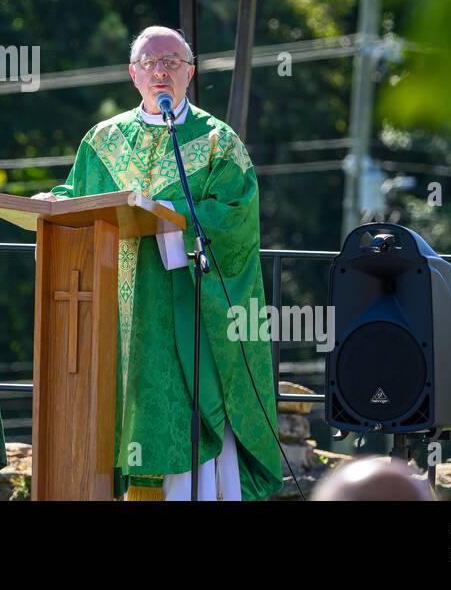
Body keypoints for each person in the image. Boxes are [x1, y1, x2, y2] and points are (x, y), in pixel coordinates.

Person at [33, 25, 283, 500]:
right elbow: (77, 196)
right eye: (150, 62)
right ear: (133, 74)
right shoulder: (103, 139)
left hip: (180, 309)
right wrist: (53, 200)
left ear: (190, 73)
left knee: (174, 411)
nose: (160, 71)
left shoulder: (217, 142)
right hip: (110, 309)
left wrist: (171, 219)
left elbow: (235, 219)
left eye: (172, 62)